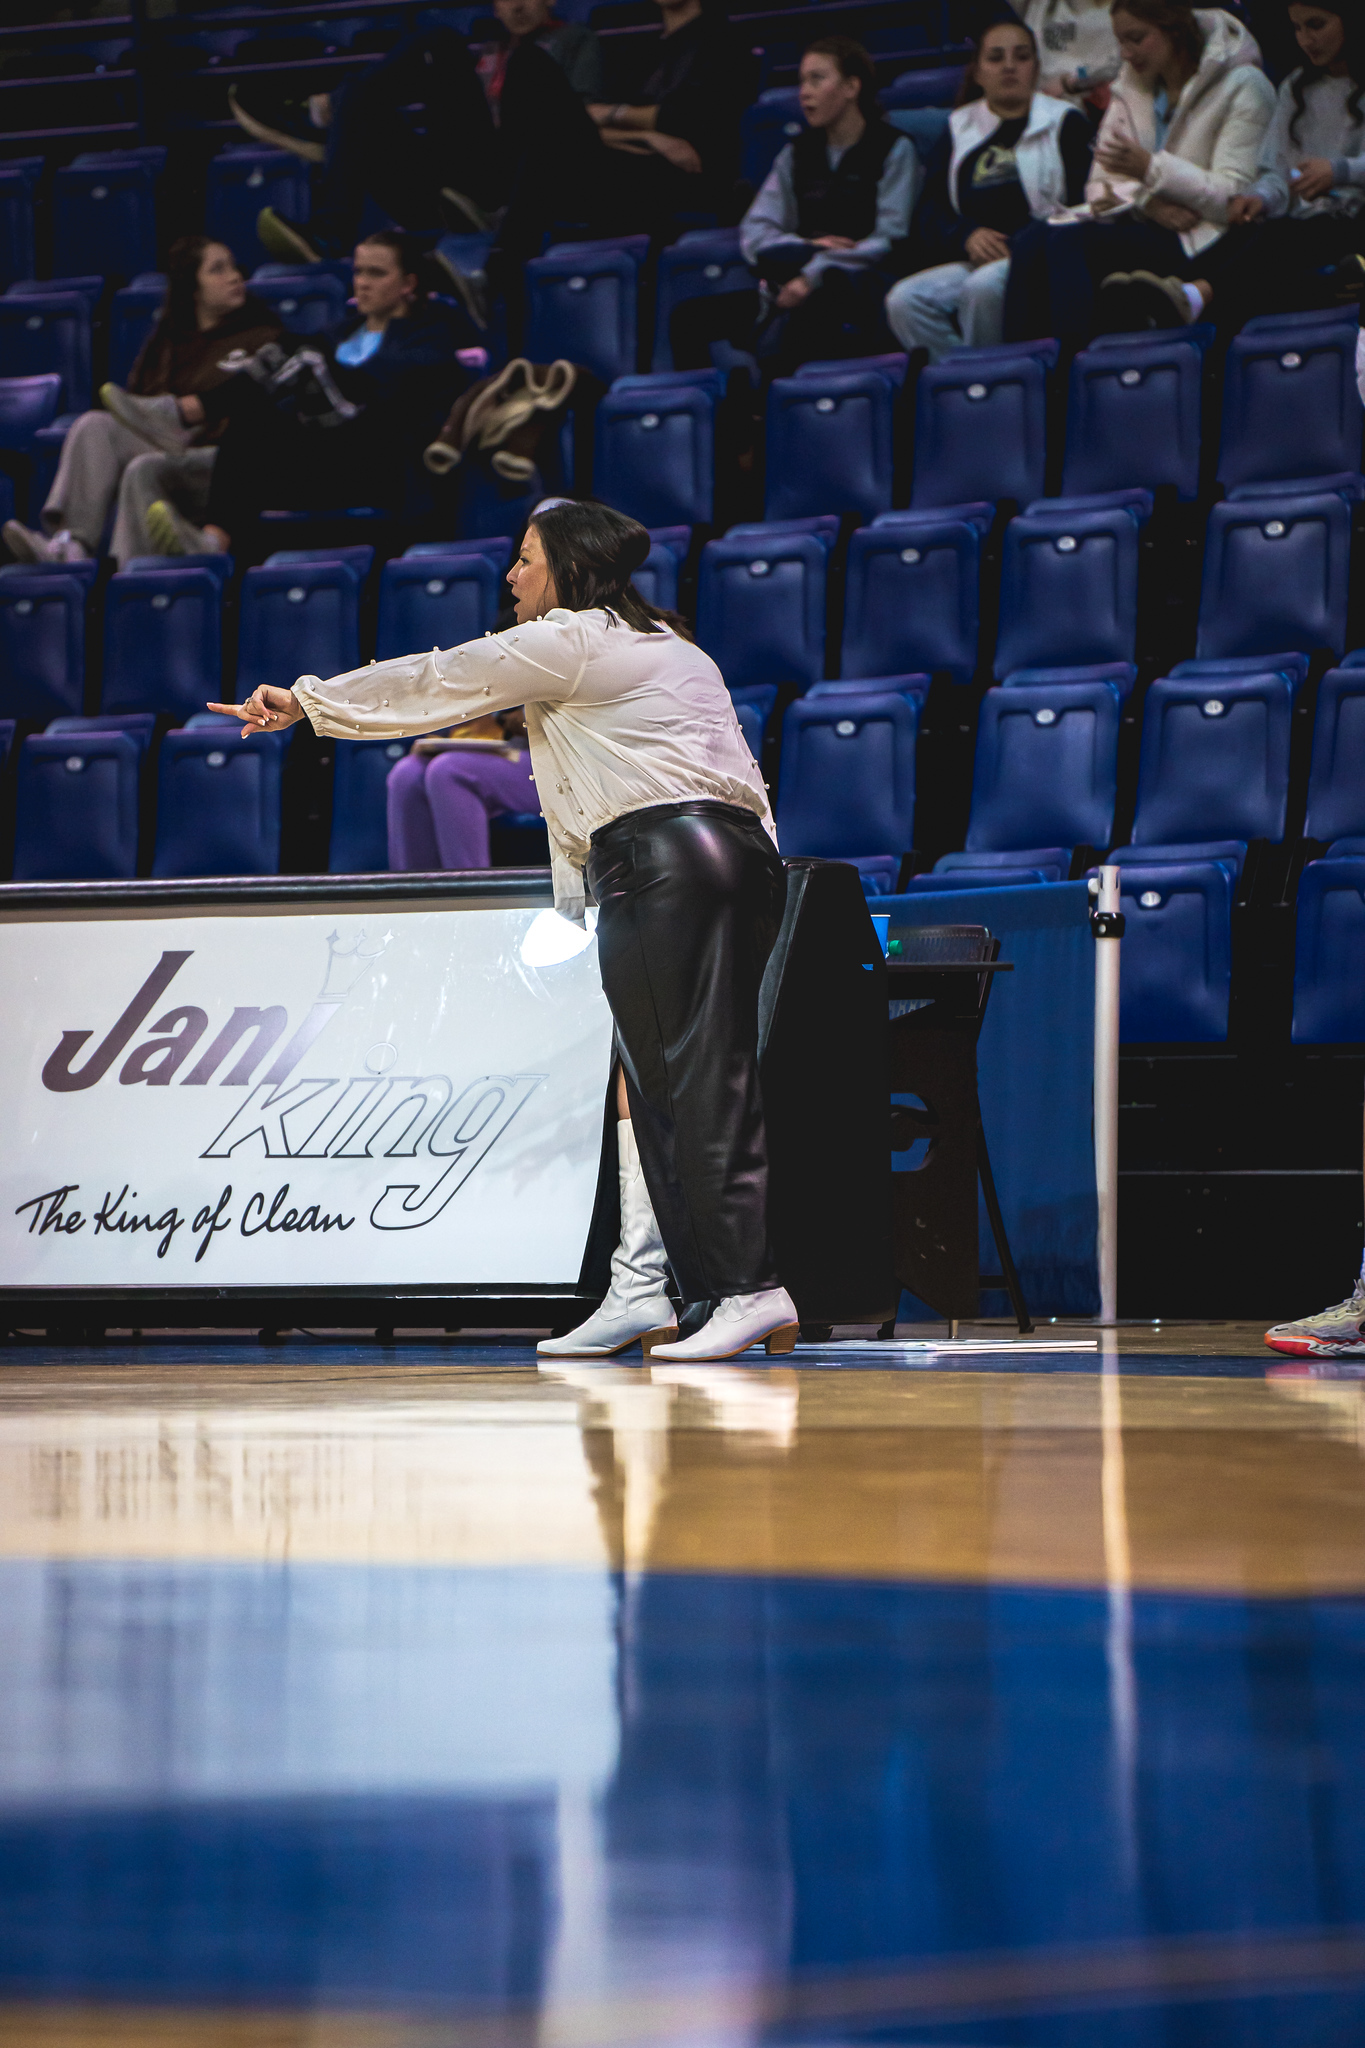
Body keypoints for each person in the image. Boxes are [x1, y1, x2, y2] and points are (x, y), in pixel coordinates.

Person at [206, 501, 800, 1363]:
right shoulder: (672, 645)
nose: (511, 577)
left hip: (663, 858)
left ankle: (745, 1288)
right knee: (652, 1078)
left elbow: (439, 679)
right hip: (734, 857)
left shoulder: (570, 639)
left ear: (565, 567)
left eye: (525, 559)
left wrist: (308, 702)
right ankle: (642, 1286)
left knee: (691, 1080)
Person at [138, 231, 469, 558]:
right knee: (258, 403)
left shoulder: (430, 340)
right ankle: (212, 541)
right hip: (319, 459)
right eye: (358, 271)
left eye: (376, 273)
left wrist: (315, 372)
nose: (362, 282)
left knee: (303, 357)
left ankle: (187, 413)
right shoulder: (341, 332)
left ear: (408, 284)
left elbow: (382, 400)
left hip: (377, 464)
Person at [1002, 2, 1274, 343]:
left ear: (1173, 30)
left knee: (1069, 241)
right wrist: (1148, 203)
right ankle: (1024, 373)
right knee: (1032, 238)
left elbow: (1234, 198)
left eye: (1136, 38)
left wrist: (1150, 168)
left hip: (1204, 234)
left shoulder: (1244, 85)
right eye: (1120, 42)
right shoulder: (1131, 87)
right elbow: (1099, 186)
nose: (1126, 53)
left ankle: (1073, 370)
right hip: (1145, 222)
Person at [2, 238, 280, 568]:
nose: (234, 277)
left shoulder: (263, 337)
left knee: (141, 469)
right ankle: (71, 547)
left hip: (223, 463)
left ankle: (128, 579)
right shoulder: (165, 344)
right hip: (172, 448)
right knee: (93, 425)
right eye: (218, 270)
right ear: (191, 288)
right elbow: (137, 412)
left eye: (234, 267)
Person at [671, 37, 915, 375]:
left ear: (851, 87)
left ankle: (778, 408)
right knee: (688, 319)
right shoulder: (795, 154)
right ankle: (718, 419)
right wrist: (807, 248)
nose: (804, 92)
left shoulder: (894, 149)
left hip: (856, 281)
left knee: (813, 308)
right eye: (801, 81)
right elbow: (756, 231)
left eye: (817, 79)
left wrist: (813, 274)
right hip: (790, 279)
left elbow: (890, 238)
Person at [884, 19, 1091, 362]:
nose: (1009, 66)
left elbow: (1084, 206)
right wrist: (966, 235)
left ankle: (991, 382)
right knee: (904, 301)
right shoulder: (958, 127)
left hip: (1037, 254)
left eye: (1021, 57)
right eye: (996, 58)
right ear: (978, 72)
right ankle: (965, 381)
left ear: (1036, 68)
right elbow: (931, 210)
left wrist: (1024, 244)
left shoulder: (1065, 122)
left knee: (983, 288)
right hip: (976, 257)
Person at [1159, 1, 1365, 332]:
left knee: (1278, 236)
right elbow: (1278, 174)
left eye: (1316, 25)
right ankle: (1173, 295)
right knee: (1244, 234)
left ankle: (1194, 296)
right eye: (1297, 28)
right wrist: (1261, 198)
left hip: (1353, 224)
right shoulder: (1297, 88)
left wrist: (1339, 171)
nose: (1306, 39)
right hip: (1306, 223)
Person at [1016, 0, 1123, 101]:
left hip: (1081, 97)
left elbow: (1111, 65)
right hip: (1032, 93)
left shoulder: (1113, 14)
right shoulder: (1042, 6)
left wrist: (1070, 81)